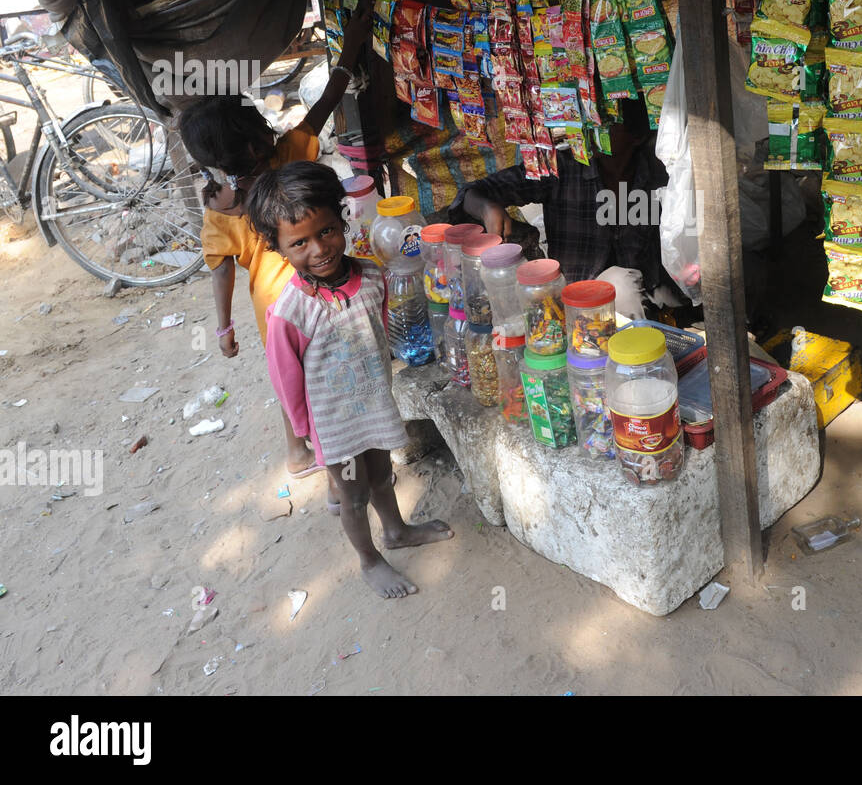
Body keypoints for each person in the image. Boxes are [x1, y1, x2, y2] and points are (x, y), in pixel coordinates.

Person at [177, 0, 372, 480]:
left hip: (273, 314)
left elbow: (219, 271)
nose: (269, 124)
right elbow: (327, 102)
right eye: (259, 123)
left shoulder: (217, 207)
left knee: (292, 382)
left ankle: (297, 454)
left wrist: (224, 327)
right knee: (322, 381)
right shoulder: (289, 156)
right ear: (252, 142)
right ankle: (335, 469)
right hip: (313, 297)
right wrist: (348, 52)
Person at [246, 161, 453, 599]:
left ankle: (395, 531)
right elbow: (285, 379)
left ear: (341, 220)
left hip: (374, 404)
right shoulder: (290, 311)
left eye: (325, 231)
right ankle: (369, 560)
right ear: (279, 248)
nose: (318, 249)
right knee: (353, 495)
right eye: (299, 242)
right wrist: (304, 433)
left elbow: (382, 330)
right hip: (334, 424)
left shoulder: (373, 276)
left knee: (382, 474)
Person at [455, 97, 677, 319]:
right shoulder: (563, 167)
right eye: (590, 122)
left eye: (606, 125)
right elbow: (472, 193)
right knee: (622, 286)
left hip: (648, 292)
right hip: (578, 304)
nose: (592, 131)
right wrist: (487, 208)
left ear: (636, 137)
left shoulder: (655, 175)